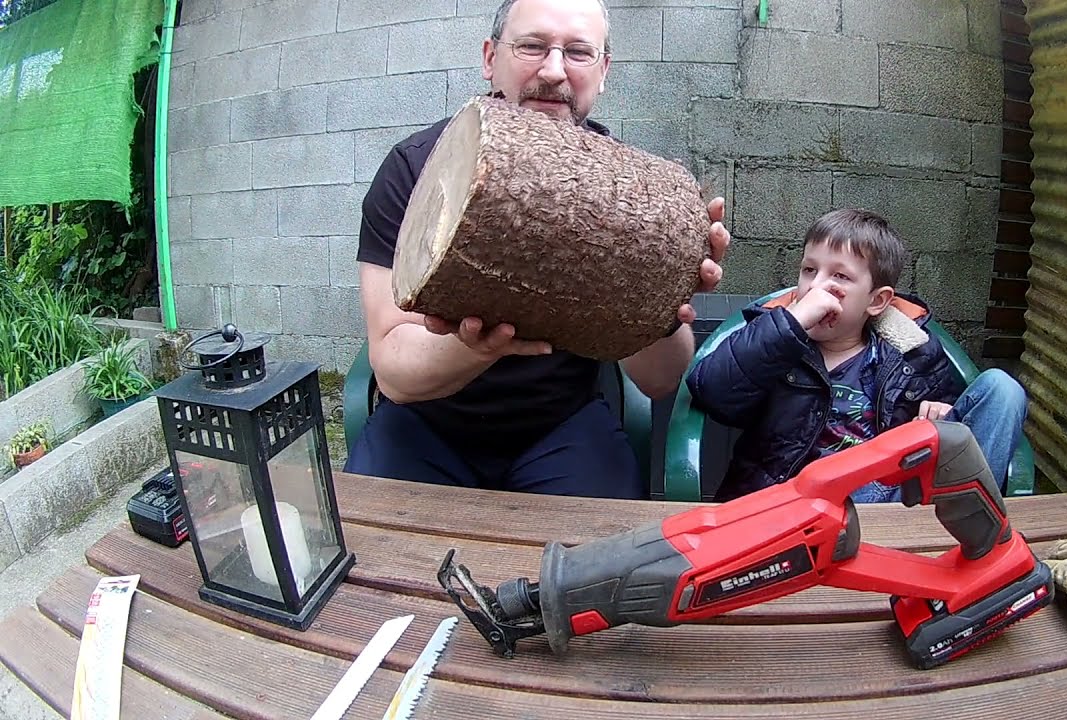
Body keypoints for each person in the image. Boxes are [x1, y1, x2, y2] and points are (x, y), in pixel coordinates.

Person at [345, 0, 730, 500]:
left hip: (562, 426)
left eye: (578, 52)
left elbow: (660, 380)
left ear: (603, 71)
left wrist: (655, 301)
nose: (553, 71)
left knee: (604, 567)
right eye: (531, 46)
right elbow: (394, 371)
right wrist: (475, 345)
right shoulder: (414, 171)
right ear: (490, 58)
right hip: (424, 423)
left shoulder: (630, 195)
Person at [685, 208, 1027, 503]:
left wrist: (940, 414)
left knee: (1002, 388)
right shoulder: (774, 339)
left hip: (886, 503)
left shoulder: (911, 352)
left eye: (840, 276)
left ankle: (968, 530)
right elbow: (712, 390)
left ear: (876, 301)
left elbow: (942, 433)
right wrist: (793, 323)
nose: (816, 287)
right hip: (792, 506)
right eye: (809, 270)